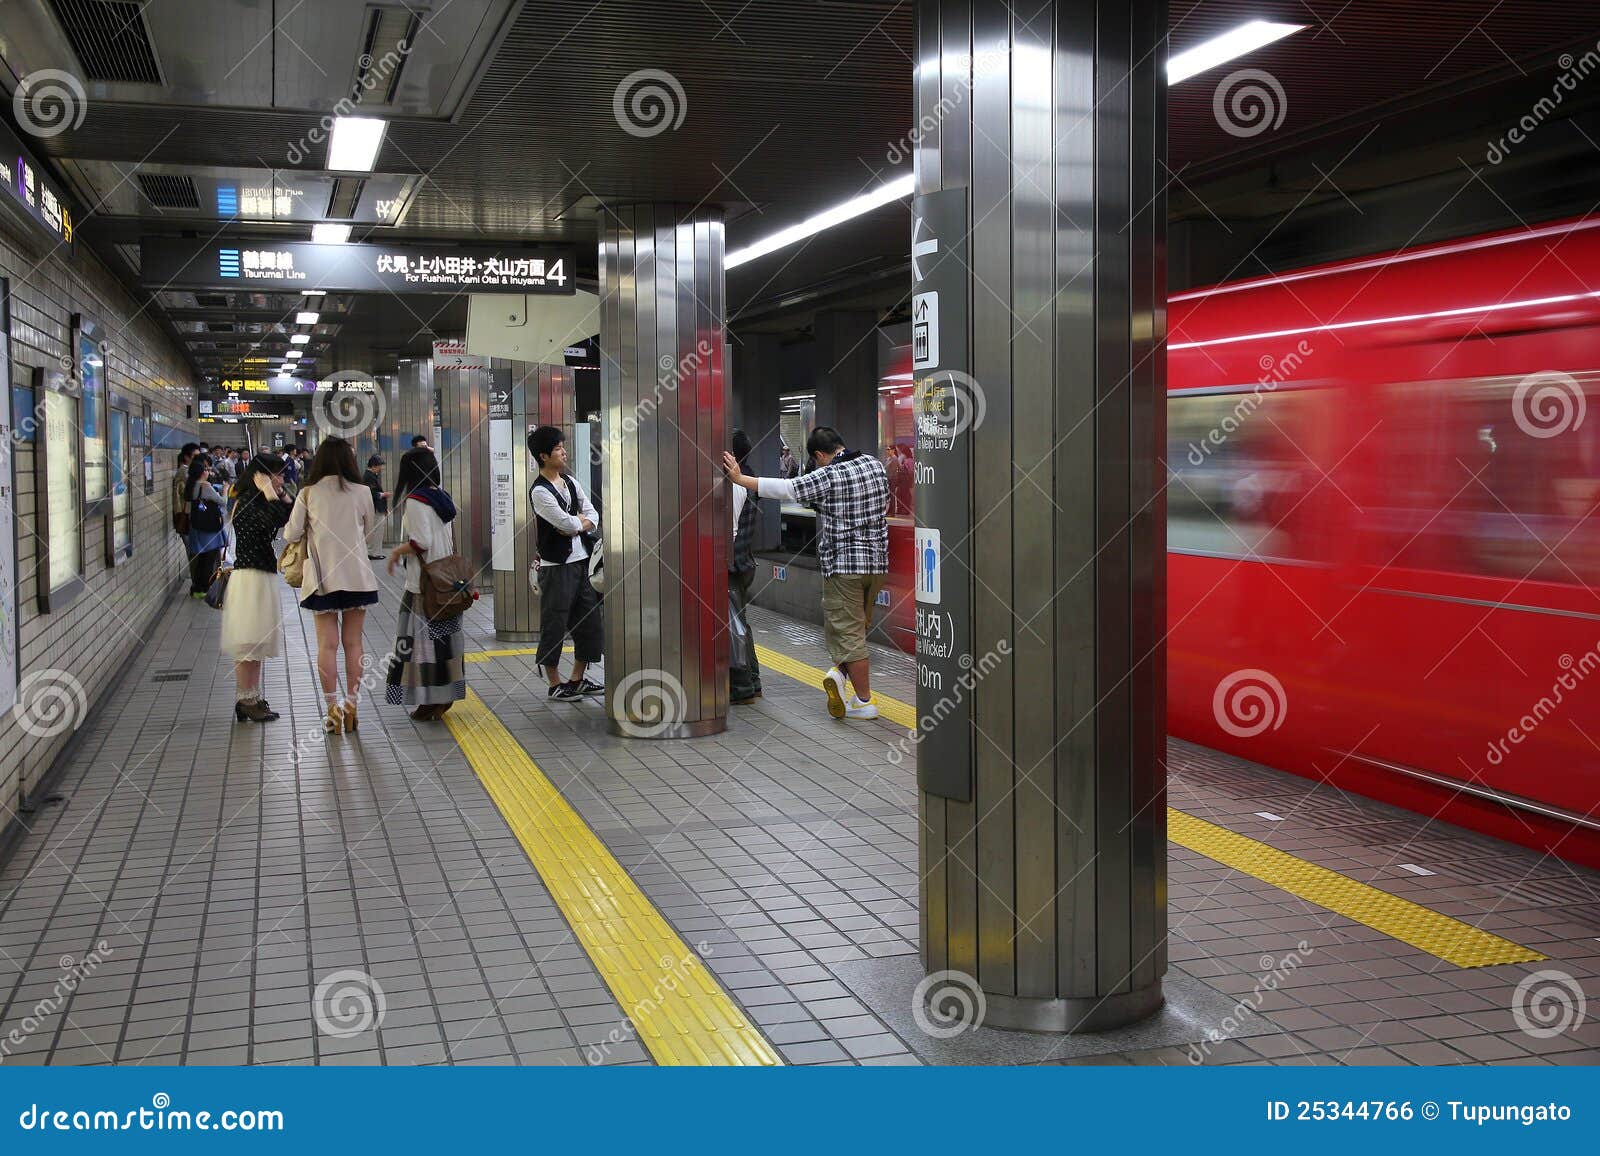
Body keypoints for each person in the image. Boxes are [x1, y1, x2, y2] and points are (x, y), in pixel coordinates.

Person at [723, 426, 888, 721]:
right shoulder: (874, 465)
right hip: (876, 564)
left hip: (844, 566)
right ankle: (838, 675)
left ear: (819, 455)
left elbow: (788, 489)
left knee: (847, 634)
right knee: (859, 627)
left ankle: (864, 702)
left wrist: (739, 478)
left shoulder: (828, 475)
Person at [284, 437, 379, 734]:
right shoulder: (363, 491)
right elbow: (370, 531)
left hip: (322, 579)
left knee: (327, 645)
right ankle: (352, 706)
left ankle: (332, 710)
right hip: (356, 577)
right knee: (354, 644)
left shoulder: (308, 493)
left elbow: (291, 533)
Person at [384, 448, 467, 721]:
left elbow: (422, 542)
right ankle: (444, 698)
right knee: (445, 643)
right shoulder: (440, 496)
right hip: (448, 581)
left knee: (420, 645)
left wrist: (396, 552)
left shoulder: (416, 500)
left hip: (426, 585)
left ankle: (431, 700)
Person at [528, 425, 603, 701]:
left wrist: (577, 525)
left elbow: (591, 514)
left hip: (582, 562)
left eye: (563, 446)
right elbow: (565, 523)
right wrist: (577, 524)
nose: (564, 452)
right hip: (555, 567)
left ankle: (577, 679)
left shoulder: (570, 481)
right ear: (544, 456)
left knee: (590, 622)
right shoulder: (539, 491)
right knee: (554, 623)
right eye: (559, 448)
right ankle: (554, 683)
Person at [222, 453, 293, 722]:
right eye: (279, 474)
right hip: (249, 578)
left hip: (261, 575)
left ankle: (253, 695)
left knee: (257, 642)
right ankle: (244, 699)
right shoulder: (248, 503)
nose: (283, 478)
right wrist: (272, 494)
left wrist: (280, 493)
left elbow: (290, 516)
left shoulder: (259, 499)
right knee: (247, 642)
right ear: (262, 476)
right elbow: (273, 521)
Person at [728, 430, 763, 705]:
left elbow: (729, 531)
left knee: (733, 624)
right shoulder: (750, 476)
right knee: (741, 622)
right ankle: (753, 682)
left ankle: (742, 687)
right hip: (745, 562)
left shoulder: (734, 483)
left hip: (732, 564)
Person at [184, 454, 229, 599]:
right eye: (205, 469)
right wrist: (225, 490)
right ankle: (204, 588)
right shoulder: (205, 487)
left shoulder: (190, 486)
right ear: (202, 473)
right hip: (209, 529)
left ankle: (197, 588)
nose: (208, 471)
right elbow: (222, 501)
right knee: (208, 560)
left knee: (201, 560)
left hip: (197, 527)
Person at [362, 454, 390, 560]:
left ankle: (375, 552)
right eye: (379, 466)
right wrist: (383, 494)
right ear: (373, 466)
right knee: (377, 530)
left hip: (377, 507)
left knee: (377, 530)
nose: (381, 468)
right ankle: (374, 553)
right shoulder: (369, 476)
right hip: (375, 508)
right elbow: (372, 493)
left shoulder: (372, 475)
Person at [172, 442, 198, 546]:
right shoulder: (184, 471)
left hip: (190, 514)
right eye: (195, 457)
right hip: (186, 514)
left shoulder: (189, 470)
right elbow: (195, 489)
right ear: (187, 457)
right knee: (193, 549)